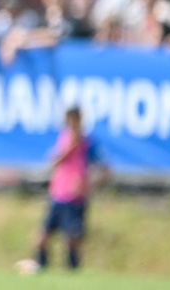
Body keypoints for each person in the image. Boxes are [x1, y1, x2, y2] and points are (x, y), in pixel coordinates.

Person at [17, 106, 109, 274]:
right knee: (42, 236)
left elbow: (105, 170)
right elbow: (53, 161)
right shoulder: (64, 139)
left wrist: (88, 186)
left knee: (71, 238)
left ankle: (72, 272)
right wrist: (67, 149)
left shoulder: (88, 142)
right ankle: (40, 267)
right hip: (58, 194)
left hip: (75, 198)